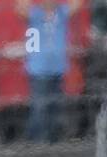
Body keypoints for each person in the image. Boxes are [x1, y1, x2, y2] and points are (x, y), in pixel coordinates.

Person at [18, 0, 80, 143]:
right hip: (38, 69)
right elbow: (20, 7)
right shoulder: (35, 13)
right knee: (40, 107)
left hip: (57, 68)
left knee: (55, 106)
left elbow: (77, 4)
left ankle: (52, 140)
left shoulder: (61, 13)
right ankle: (37, 140)